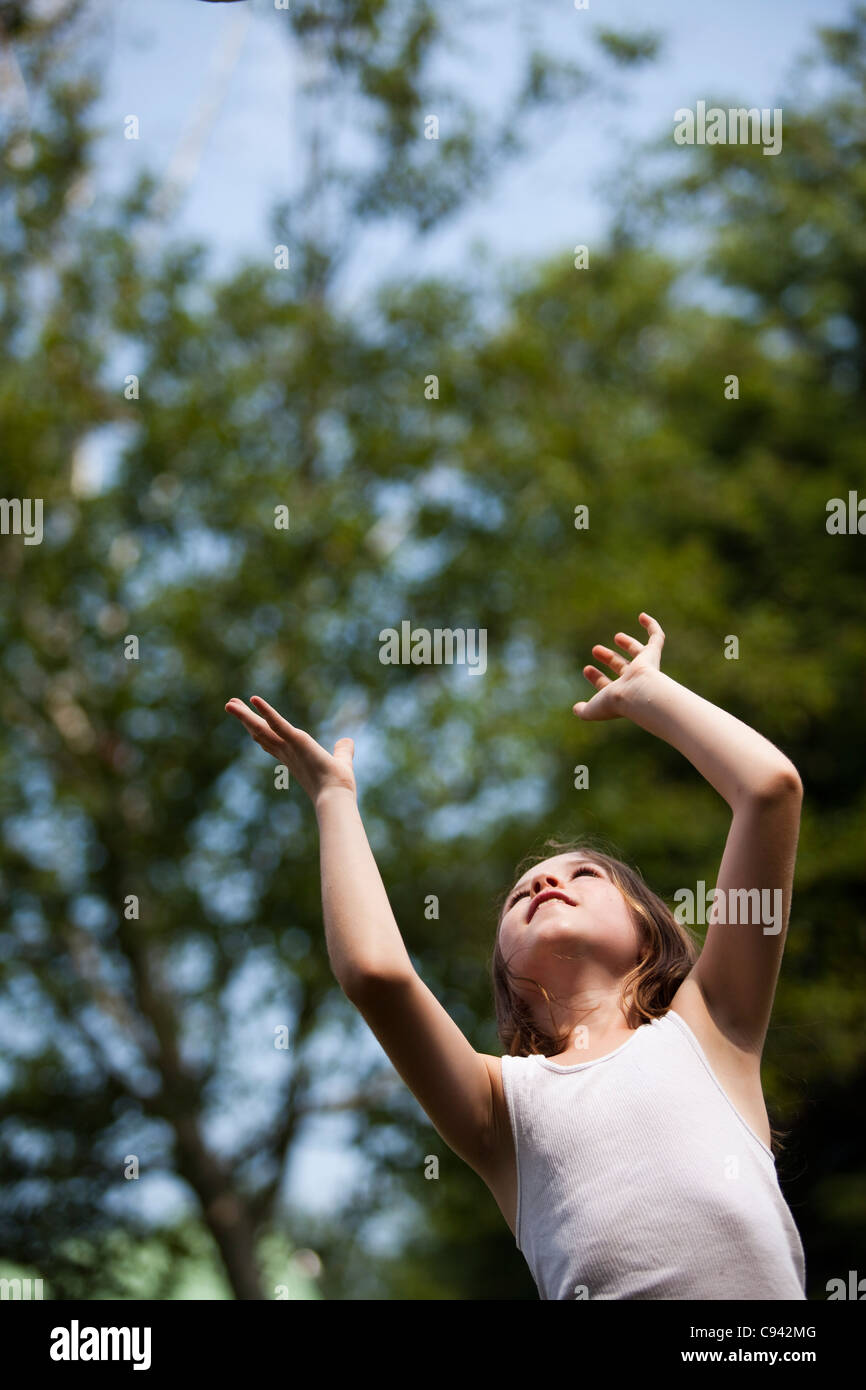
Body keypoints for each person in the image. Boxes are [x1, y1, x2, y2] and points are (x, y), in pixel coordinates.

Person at [225, 611, 807, 1300]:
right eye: (520, 894)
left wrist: (652, 695)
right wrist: (333, 798)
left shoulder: (712, 1025)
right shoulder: (504, 1109)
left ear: (649, 931)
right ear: (506, 976)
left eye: (584, 874)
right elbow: (376, 974)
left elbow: (770, 790)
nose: (544, 884)